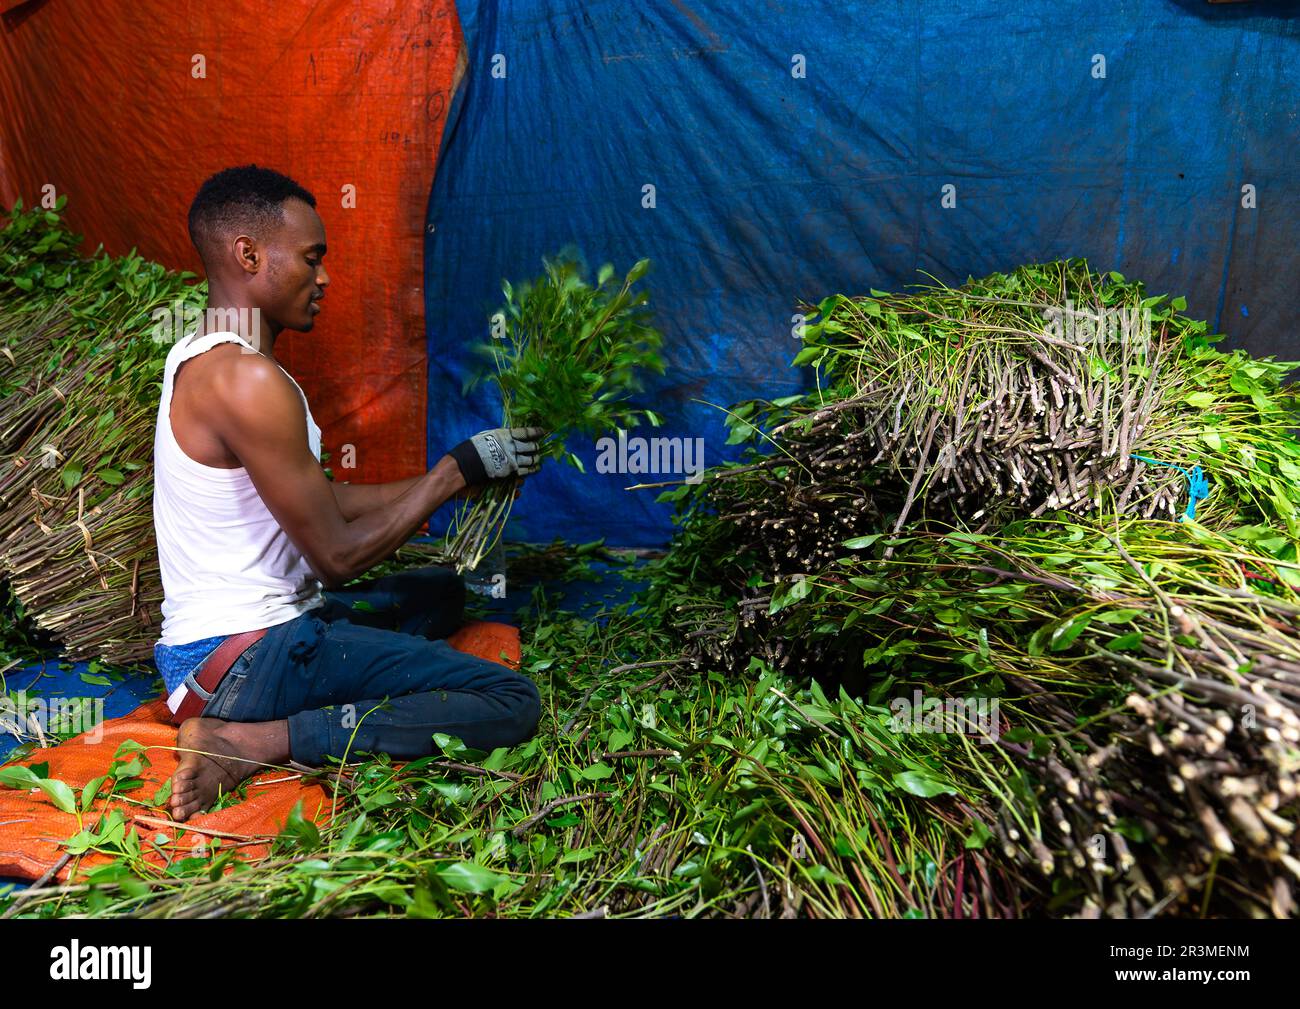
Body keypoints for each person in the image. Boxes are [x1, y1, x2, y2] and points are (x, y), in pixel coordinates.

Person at [153, 164, 545, 822]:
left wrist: (471, 471)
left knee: (444, 592)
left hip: (233, 647)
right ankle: (257, 740)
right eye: (312, 258)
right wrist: (452, 471)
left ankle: (269, 711)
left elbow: (321, 500)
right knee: (511, 701)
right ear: (248, 254)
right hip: (242, 663)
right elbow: (337, 554)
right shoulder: (244, 381)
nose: (324, 277)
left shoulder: (204, 352)